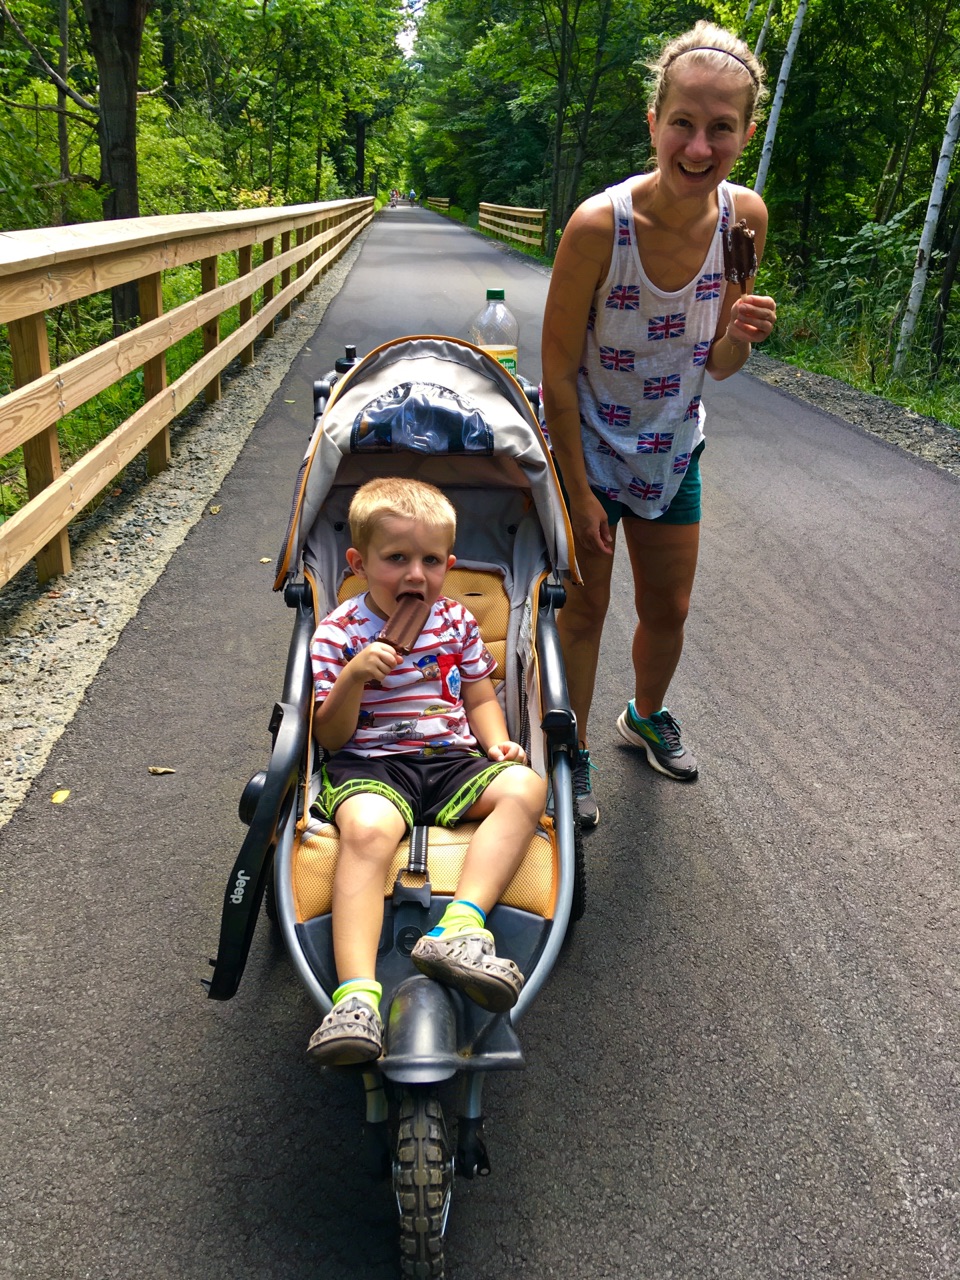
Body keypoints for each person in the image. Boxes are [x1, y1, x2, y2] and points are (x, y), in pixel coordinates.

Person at [540, 21, 777, 828]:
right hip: (590, 450)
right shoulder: (599, 228)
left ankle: (642, 717)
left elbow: (717, 364)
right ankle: (565, 753)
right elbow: (555, 373)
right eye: (684, 121)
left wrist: (738, 337)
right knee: (584, 607)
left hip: (674, 448)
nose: (700, 144)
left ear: (745, 133)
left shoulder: (743, 220)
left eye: (721, 127)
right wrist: (577, 493)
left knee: (668, 609)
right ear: (654, 122)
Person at [305, 477, 547, 1066]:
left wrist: (497, 745)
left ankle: (458, 931)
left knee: (527, 787)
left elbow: (481, 695)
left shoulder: (457, 624)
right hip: (371, 763)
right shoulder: (339, 632)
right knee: (367, 830)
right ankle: (356, 997)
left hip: (450, 759)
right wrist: (354, 678)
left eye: (431, 561)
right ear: (359, 564)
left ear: (450, 564)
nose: (416, 575)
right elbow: (327, 734)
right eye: (397, 559)